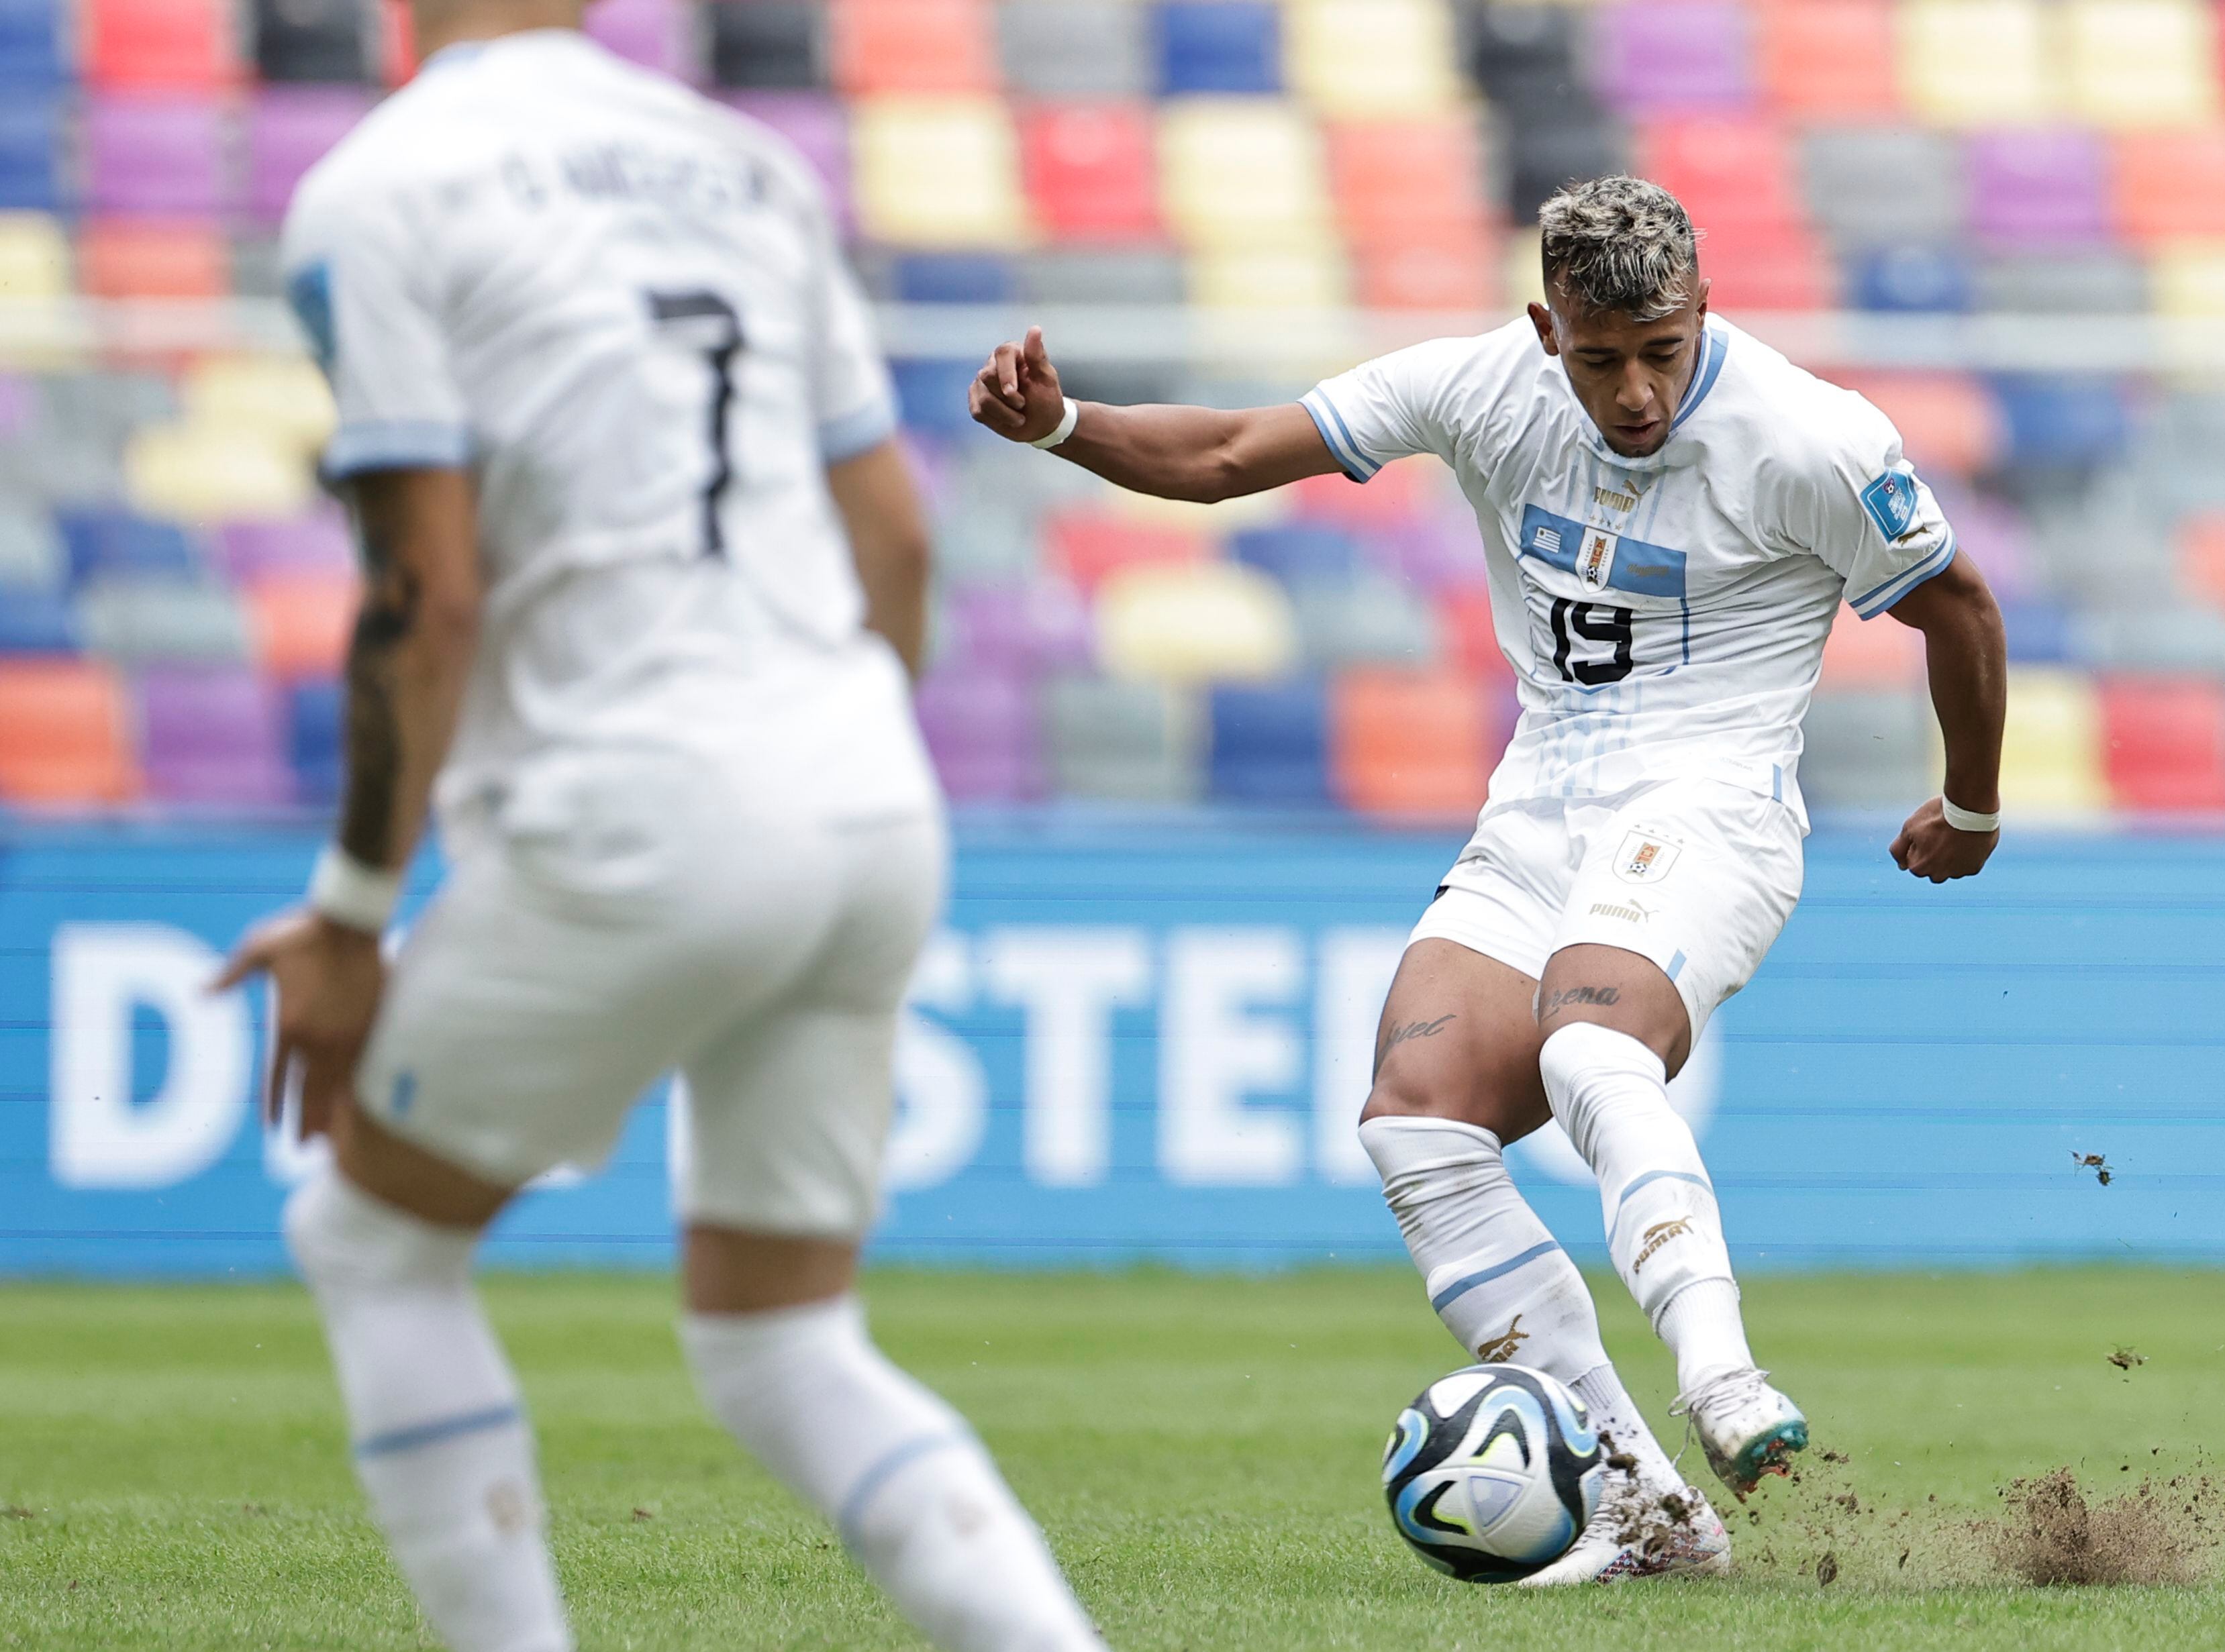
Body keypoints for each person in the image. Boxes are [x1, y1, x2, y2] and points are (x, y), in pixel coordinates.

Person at [213, 5, 1111, 1649]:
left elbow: (427, 597)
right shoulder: (746, 169)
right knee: (782, 1342)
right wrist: (820, 757)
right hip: (862, 783)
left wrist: (348, 917)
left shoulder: (381, 184)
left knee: (369, 1238)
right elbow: (896, 543)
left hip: (642, 800)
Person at [967, 175, 2008, 1586]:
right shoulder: (1479, 387)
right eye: (1599, 358)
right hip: (1539, 809)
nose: (1635, 392)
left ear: (1705, 314)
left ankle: (1721, 1382)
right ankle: (1653, 1519)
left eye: (1663, 350)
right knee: (1413, 1123)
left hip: (1711, 804)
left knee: (1588, 1038)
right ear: (1544, 328)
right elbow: (1221, 454)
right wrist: (1065, 426)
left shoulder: (1810, 436)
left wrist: (1971, 800)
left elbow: (1955, 604)